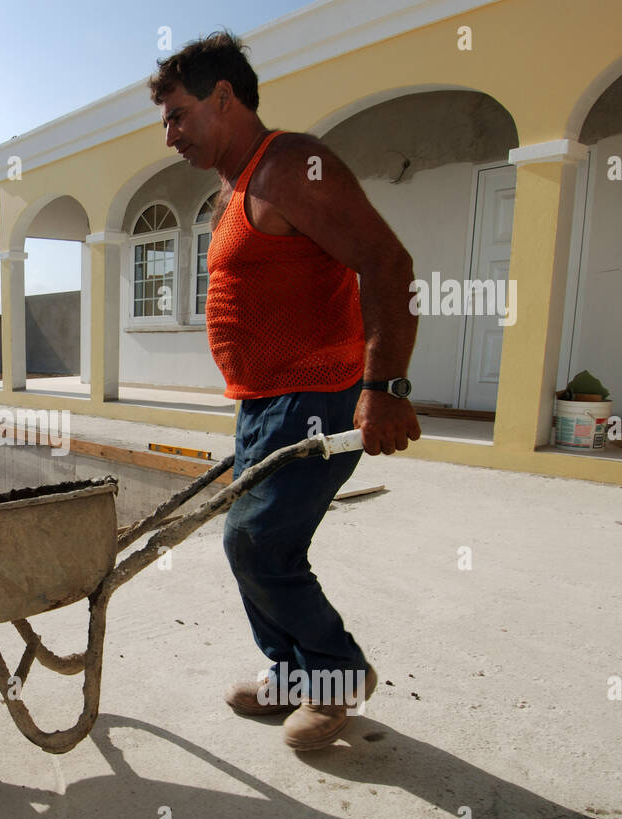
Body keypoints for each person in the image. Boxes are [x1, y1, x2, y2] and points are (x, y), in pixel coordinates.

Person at [149, 32, 422, 750]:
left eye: (177, 115)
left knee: (258, 542)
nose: (169, 134)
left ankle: (335, 674)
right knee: (253, 545)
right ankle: (295, 671)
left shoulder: (294, 167)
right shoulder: (234, 188)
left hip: (317, 396)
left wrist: (385, 387)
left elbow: (388, 264)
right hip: (266, 403)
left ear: (224, 97)